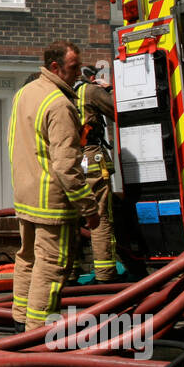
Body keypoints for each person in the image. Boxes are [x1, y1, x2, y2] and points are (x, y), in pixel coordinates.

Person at [8, 41, 100, 333]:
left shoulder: (25, 93)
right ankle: (37, 331)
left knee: (27, 259)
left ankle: (20, 319)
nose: (78, 74)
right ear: (55, 67)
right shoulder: (60, 104)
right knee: (51, 266)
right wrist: (89, 207)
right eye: (73, 68)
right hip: (51, 202)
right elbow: (66, 166)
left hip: (25, 197)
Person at [75, 68, 118, 283]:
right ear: (92, 78)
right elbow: (119, 111)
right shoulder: (90, 91)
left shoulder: (60, 93)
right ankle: (105, 275)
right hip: (92, 158)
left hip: (69, 162)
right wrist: (109, 89)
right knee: (100, 216)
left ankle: (70, 274)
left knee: (72, 219)